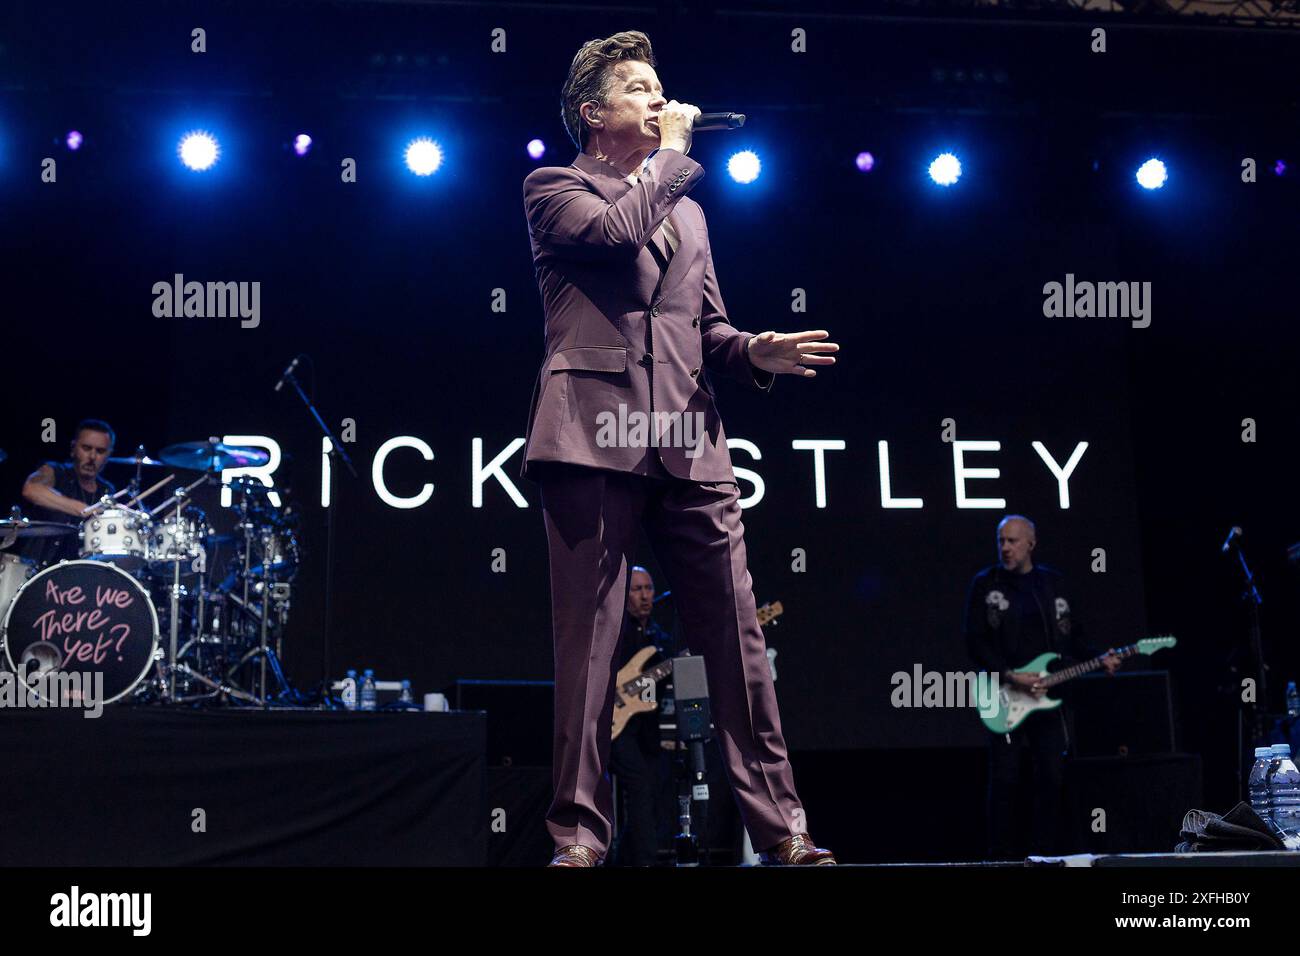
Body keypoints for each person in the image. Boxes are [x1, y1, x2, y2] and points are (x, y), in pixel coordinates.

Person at [522, 31, 839, 866]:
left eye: (665, 88)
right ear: (594, 113)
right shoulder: (555, 187)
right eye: (640, 88)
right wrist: (669, 157)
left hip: (689, 440)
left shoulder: (689, 210)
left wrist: (754, 350)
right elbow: (618, 235)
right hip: (595, 436)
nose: (661, 100)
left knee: (736, 642)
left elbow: (706, 330)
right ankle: (579, 838)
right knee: (588, 649)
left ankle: (784, 832)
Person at [964, 514, 1120, 858]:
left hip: (1048, 699)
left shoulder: (1052, 585)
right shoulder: (986, 584)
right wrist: (1009, 674)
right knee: (1005, 779)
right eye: (1001, 541)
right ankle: (1000, 858)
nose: (1005, 547)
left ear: (1031, 544)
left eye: (1012, 541)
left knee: (1051, 776)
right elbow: (974, 641)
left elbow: (1074, 639)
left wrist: (1100, 657)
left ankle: (1043, 854)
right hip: (1005, 696)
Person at [608, 566, 675, 866]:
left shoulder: (659, 639)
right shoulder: (614, 633)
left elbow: (656, 688)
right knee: (639, 790)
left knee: (650, 799)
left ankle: (623, 861)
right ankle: (648, 861)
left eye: (648, 588)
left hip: (648, 729)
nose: (645, 595)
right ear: (624, 595)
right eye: (637, 589)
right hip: (618, 729)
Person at [19, 419, 117, 565]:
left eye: (100, 451)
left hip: (84, 572)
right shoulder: (55, 472)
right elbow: (31, 489)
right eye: (86, 448)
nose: (92, 457)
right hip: (41, 568)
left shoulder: (107, 490)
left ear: (108, 455)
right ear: (73, 448)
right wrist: (82, 509)